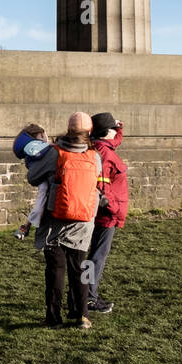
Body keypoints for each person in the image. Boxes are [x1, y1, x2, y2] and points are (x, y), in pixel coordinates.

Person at [27, 112, 102, 330]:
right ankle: (82, 315)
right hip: (83, 222)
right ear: (89, 131)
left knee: (55, 270)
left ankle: (53, 317)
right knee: (81, 268)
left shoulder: (54, 153)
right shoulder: (94, 155)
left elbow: (33, 178)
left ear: (68, 128)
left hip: (55, 220)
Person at [86, 112, 128, 315]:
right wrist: (115, 209)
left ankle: (84, 295)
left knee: (94, 256)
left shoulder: (101, 147)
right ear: (106, 133)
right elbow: (102, 188)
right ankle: (88, 298)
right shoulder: (104, 154)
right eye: (113, 129)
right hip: (105, 215)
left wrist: (117, 128)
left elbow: (115, 142)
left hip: (105, 214)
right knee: (96, 257)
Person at [12, 123, 51, 240]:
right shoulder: (32, 145)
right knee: (41, 200)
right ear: (38, 134)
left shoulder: (32, 145)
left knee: (41, 200)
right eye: (43, 134)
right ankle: (27, 225)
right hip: (43, 177)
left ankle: (26, 225)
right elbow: (41, 150)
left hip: (41, 175)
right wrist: (51, 144)